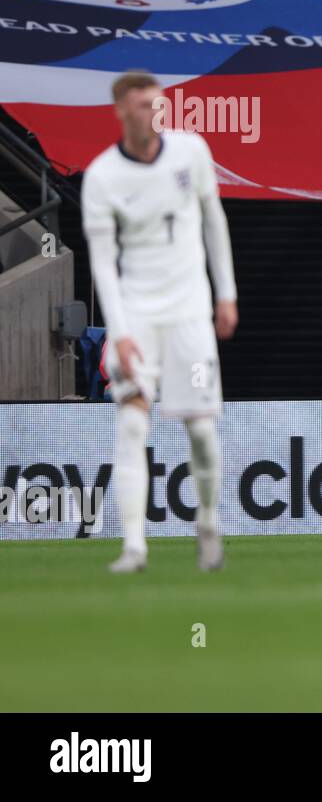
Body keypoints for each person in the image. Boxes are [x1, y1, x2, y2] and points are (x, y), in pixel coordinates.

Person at [82, 71, 238, 574]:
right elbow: (103, 262)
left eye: (157, 103)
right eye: (142, 105)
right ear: (121, 111)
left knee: (200, 429)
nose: (153, 112)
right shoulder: (102, 176)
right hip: (138, 318)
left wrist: (226, 294)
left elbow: (214, 221)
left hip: (190, 315)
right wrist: (119, 331)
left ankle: (208, 526)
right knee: (131, 419)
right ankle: (134, 547)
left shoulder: (191, 153)